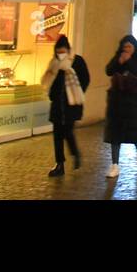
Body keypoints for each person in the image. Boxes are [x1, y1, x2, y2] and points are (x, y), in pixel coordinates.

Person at [42, 34, 90, 177]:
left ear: (68, 50)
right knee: (57, 135)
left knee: (68, 132)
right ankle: (59, 164)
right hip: (57, 104)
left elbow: (86, 79)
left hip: (72, 105)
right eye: (58, 51)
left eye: (63, 51)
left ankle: (75, 154)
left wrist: (77, 92)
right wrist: (52, 95)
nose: (61, 54)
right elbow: (49, 81)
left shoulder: (77, 61)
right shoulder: (54, 63)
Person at [104, 36, 137, 177]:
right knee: (115, 133)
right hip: (116, 100)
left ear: (134, 47)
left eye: (130, 47)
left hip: (133, 101)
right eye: (125, 47)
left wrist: (129, 61)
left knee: (131, 132)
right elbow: (108, 70)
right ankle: (115, 165)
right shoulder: (118, 57)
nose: (127, 50)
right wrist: (119, 61)